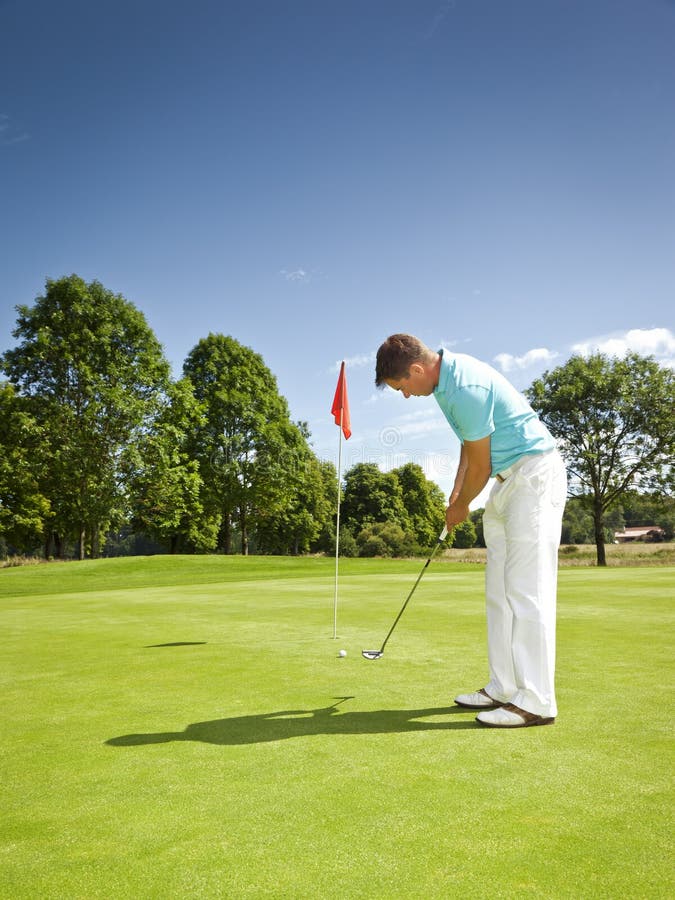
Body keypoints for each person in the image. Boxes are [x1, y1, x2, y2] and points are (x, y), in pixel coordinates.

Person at [375, 334, 567, 728]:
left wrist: (461, 506)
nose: (406, 395)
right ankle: (504, 686)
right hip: (506, 483)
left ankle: (537, 701)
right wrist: (457, 490)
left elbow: (481, 464)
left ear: (416, 370)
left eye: (402, 387)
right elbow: (470, 446)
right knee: (499, 592)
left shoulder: (465, 386)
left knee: (527, 590)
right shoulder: (443, 385)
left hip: (533, 476)